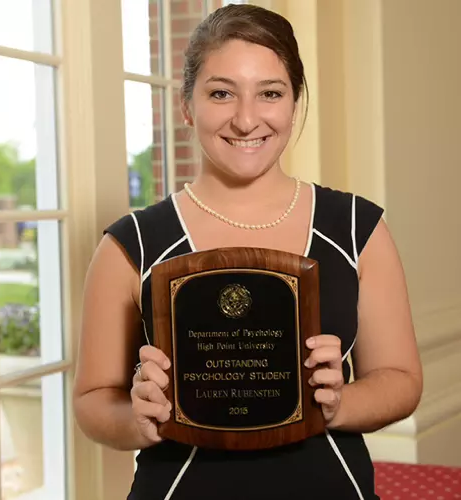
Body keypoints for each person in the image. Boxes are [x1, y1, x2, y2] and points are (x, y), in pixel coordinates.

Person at [73, 4, 423, 499]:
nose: (245, 119)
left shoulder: (356, 227)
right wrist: (138, 417)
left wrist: (340, 402)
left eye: (270, 93)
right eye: (221, 93)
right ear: (187, 105)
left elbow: (402, 380)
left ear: (294, 101)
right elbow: (92, 402)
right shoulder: (130, 244)